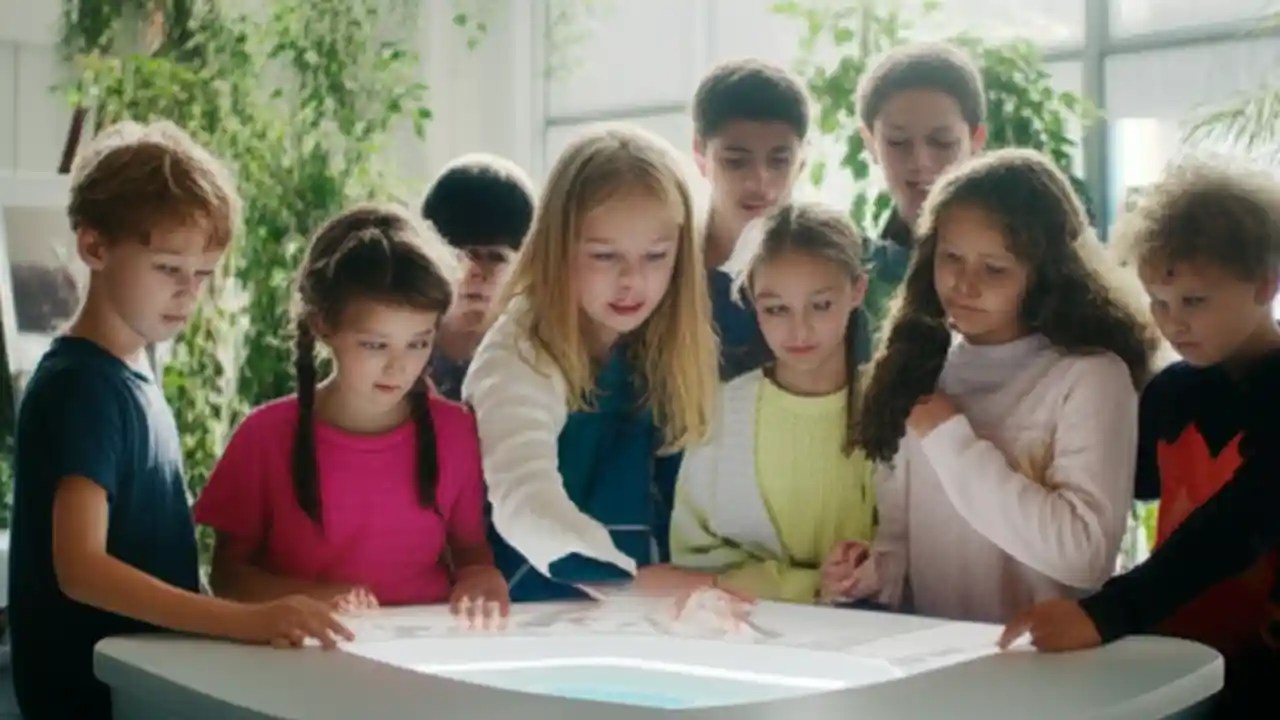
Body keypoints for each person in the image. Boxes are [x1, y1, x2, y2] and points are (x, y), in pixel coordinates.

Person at [8, 121, 349, 720]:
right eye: (169, 269)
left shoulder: (132, 371)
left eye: (203, 275)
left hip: (139, 689)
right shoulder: (81, 386)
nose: (188, 294)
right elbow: (81, 568)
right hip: (93, 699)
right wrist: (244, 621)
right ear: (94, 247)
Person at [999, 160, 1280, 717]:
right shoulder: (1171, 390)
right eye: (1159, 301)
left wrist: (1104, 616)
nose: (1173, 323)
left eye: (1195, 301)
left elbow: (1235, 528)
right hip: (1176, 653)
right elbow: (1118, 487)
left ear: (1266, 284)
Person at [851, 149, 1158, 623]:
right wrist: (864, 576)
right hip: (931, 664)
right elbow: (900, 543)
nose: (964, 284)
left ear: (1046, 275)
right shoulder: (920, 366)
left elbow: (1084, 557)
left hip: (1044, 671)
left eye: (994, 269)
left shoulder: (1091, 377)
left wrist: (952, 438)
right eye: (951, 257)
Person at [195, 204, 508, 625]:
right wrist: (316, 598)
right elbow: (228, 577)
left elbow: (471, 553)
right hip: (303, 662)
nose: (398, 368)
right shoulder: (264, 437)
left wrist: (482, 579)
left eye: (418, 343)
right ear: (324, 326)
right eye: (375, 345)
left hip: (425, 663)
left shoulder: (456, 431)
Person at [462, 124, 720, 601]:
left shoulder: (657, 342)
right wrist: (633, 583)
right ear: (557, 249)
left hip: (627, 621)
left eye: (656, 256)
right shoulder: (518, 353)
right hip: (524, 617)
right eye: (605, 256)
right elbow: (525, 500)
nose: (632, 281)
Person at [670, 202, 876, 605]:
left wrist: (864, 570)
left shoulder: (892, 408)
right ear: (752, 301)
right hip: (754, 638)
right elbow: (695, 553)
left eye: (820, 305)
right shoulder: (724, 413)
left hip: (887, 638)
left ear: (857, 291)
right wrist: (808, 586)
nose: (799, 330)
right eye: (776, 309)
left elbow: (921, 541)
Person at [856, 42, 988, 339]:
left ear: (976, 140)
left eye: (942, 143)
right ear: (869, 143)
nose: (921, 163)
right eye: (898, 142)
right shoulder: (852, 271)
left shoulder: (1029, 259)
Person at [692, 58, 813, 378]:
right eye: (735, 162)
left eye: (779, 161)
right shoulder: (662, 265)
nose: (760, 182)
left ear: (802, 161)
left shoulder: (827, 264)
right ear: (700, 155)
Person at [420, 153, 536, 400]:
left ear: (525, 265)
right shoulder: (402, 346)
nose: (474, 273)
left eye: (495, 257)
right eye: (459, 255)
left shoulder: (536, 355)